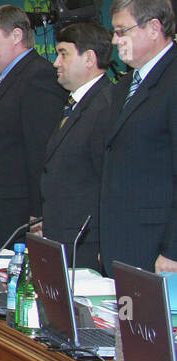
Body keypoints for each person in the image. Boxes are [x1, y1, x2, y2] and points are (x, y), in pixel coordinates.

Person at [0, 4, 67, 248]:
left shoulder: (38, 76)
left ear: (16, 36)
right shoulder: (3, 78)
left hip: (16, 215)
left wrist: (38, 213)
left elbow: (41, 151)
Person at [100, 0, 177, 275]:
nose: (114, 40)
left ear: (154, 28)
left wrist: (173, 251)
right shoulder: (124, 86)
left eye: (122, 31)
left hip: (157, 247)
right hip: (121, 241)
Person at [38, 23, 115, 272]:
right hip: (63, 235)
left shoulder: (107, 105)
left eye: (63, 54)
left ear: (89, 58)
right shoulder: (73, 104)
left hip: (87, 243)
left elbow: (108, 181)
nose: (55, 63)